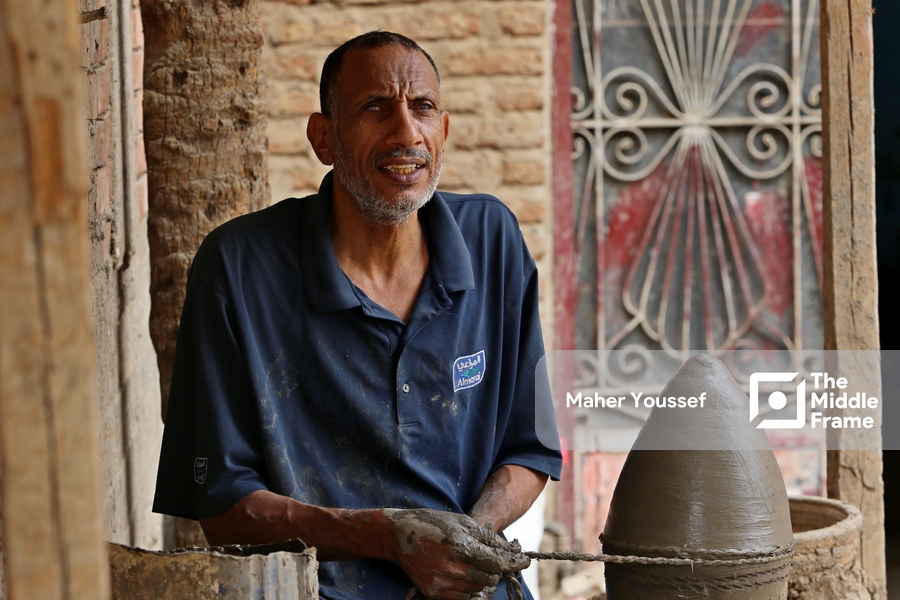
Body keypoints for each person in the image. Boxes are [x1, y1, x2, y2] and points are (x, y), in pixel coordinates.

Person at [153, 31, 561, 600]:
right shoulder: (239, 268)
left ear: (444, 130)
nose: (406, 133)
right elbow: (222, 505)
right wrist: (390, 537)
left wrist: (468, 539)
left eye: (422, 107)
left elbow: (529, 449)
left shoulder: (493, 241)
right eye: (375, 107)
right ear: (323, 138)